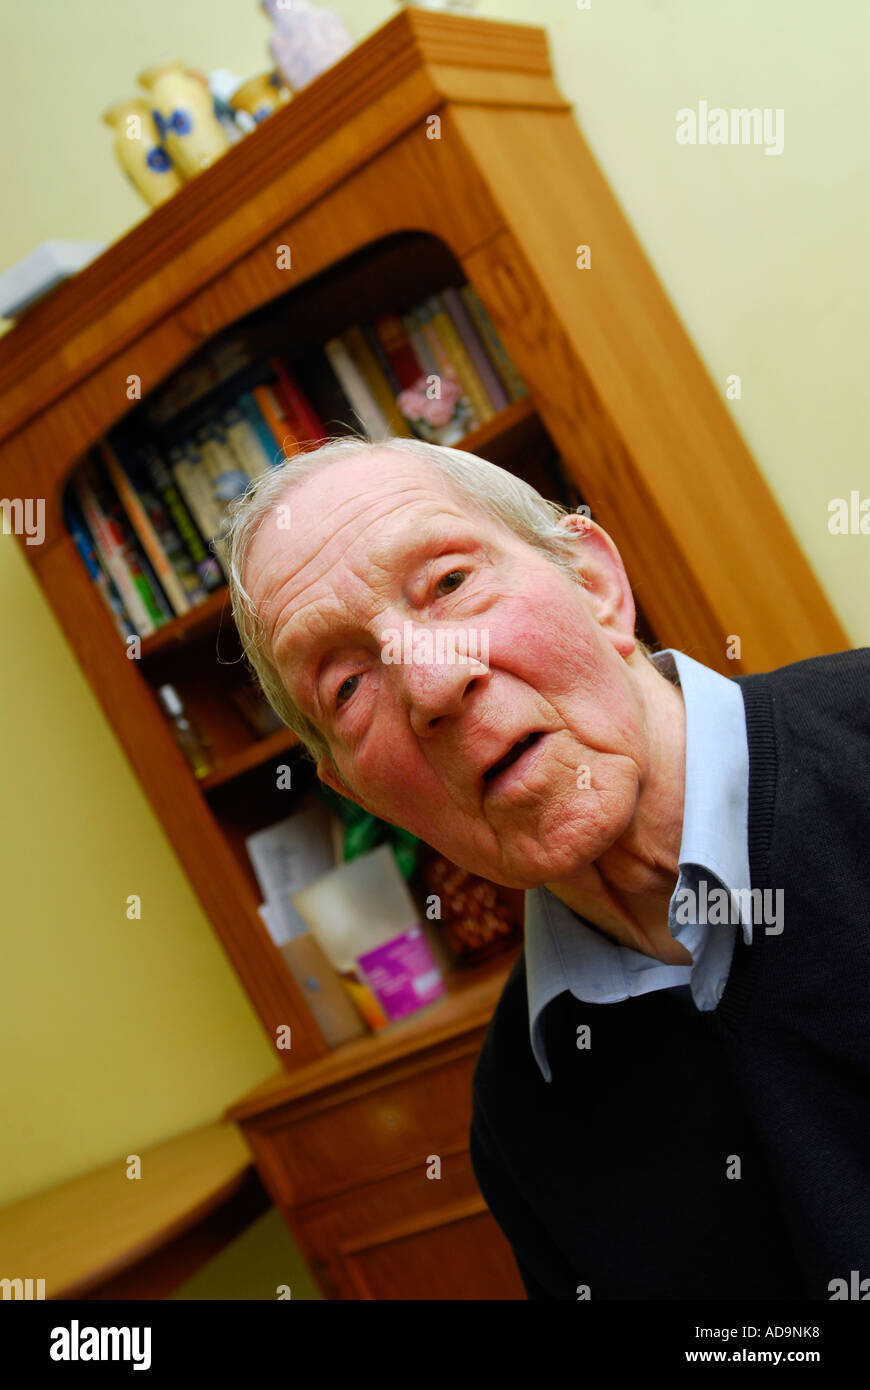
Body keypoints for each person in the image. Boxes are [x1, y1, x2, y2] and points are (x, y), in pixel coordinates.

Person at [225, 434, 870, 1301]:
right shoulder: (523, 1112)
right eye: (346, 685)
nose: (431, 687)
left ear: (596, 583)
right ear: (357, 793)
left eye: (450, 582)